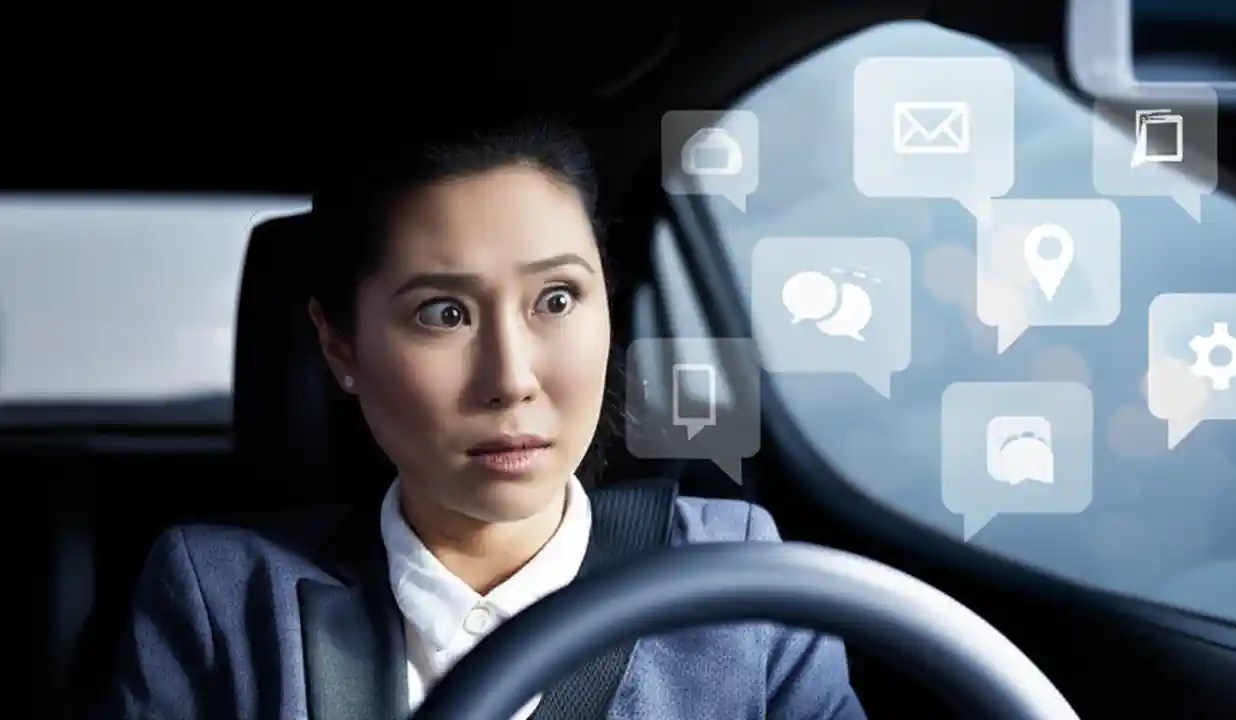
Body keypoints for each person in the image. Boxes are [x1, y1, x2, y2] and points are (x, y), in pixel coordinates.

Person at [92, 113, 867, 719]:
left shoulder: (739, 582)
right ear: (340, 346)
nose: (512, 378)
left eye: (556, 300)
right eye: (443, 313)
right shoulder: (223, 599)